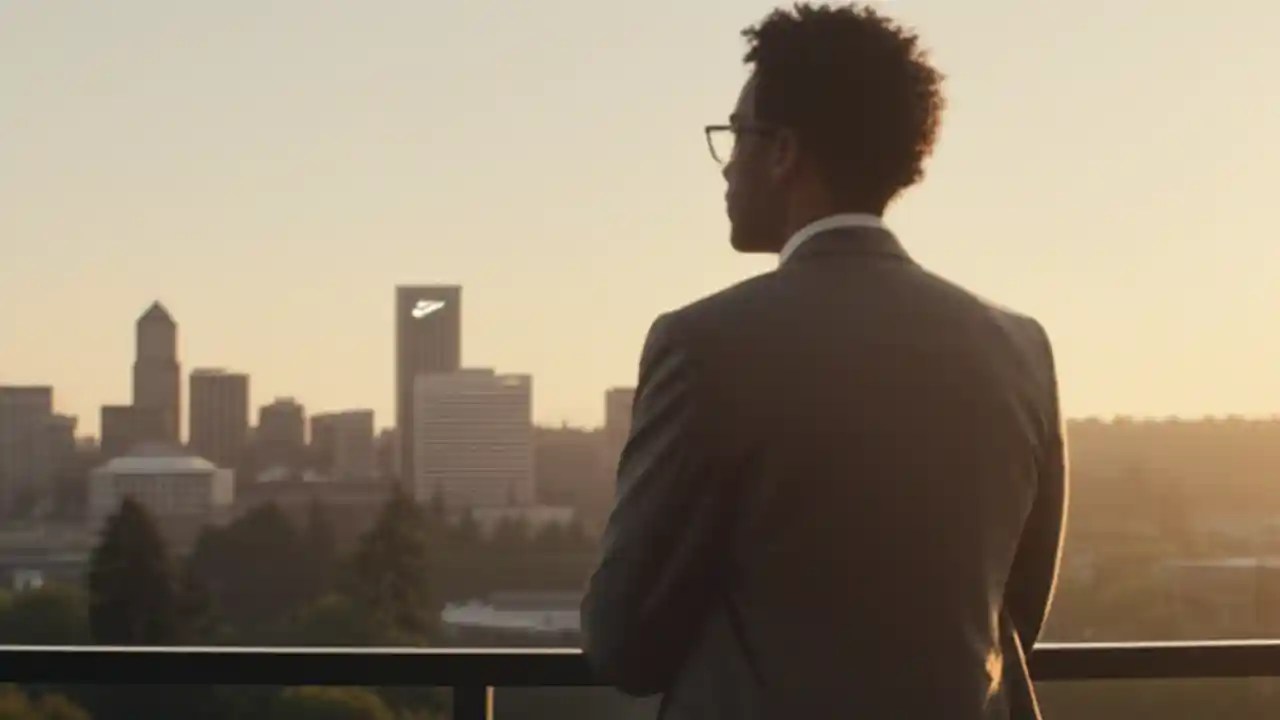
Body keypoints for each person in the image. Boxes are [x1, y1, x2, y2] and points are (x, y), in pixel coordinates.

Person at [581, 3, 1066, 719]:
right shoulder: (1019, 346)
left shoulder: (705, 347)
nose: (726, 168)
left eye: (735, 137)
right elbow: (1012, 614)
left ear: (782, 151)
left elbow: (624, 641)